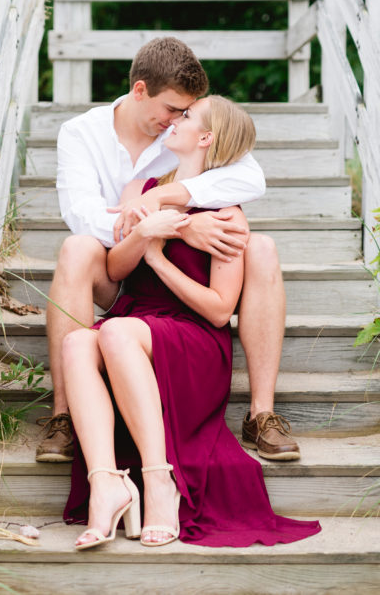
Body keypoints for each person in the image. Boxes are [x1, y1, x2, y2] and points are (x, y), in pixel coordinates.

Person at [60, 95, 321, 549]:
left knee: (116, 333)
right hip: (138, 319)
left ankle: (159, 480)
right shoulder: (139, 190)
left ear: (205, 138)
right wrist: (143, 232)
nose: (174, 121)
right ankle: (106, 484)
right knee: (77, 344)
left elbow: (221, 310)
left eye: (186, 117)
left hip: (194, 338)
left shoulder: (227, 214)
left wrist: (161, 258)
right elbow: (117, 271)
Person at [36, 37, 301, 465]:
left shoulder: (179, 134)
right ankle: (63, 416)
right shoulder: (82, 133)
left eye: (186, 112)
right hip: (115, 271)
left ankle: (261, 412)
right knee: (75, 247)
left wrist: (167, 202)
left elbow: (251, 180)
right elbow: (83, 214)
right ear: (140, 91)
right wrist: (162, 228)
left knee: (263, 247)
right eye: (173, 109)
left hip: (177, 279)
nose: (177, 119)